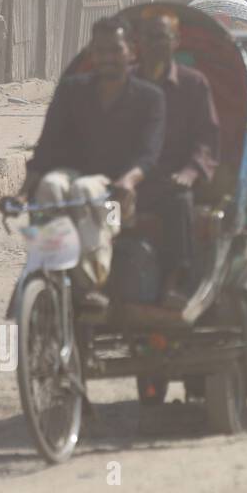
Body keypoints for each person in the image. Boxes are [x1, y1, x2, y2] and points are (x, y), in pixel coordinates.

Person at [14, 17, 166, 313]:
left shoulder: (150, 98)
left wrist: (128, 181)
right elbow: (45, 148)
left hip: (119, 195)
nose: (108, 58)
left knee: (84, 189)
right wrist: (22, 193)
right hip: (71, 177)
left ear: (131, 52)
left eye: (115, 50)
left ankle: (90, 285)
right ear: (92, 54)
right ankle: (50, 266)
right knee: (51, 185)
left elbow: (148, 155)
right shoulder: (72, 90)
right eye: (100, 51)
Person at [134, 11, 220, 309]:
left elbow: (207, 140)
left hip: (171, 183)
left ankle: (176, 281)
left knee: (179, 202)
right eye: (150, 37)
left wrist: (189, 172)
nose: (156, 44)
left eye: (163, 37)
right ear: (139, 42)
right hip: (130, 182)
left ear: (176, 42)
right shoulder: (125, 82)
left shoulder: (193, 85)